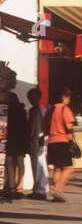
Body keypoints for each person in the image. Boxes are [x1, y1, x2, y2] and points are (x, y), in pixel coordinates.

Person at [0, 64, 28, 200]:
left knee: (12, 159)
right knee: (11, 159)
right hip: (11, 133)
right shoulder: (12, 98)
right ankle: (13, 186)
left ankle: (14, 186)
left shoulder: (13, 98)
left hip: (12, 133)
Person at [45, 86, 76, 201]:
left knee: (57, 168)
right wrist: (72, 129)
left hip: (51, 141)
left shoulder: (50, 109)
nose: (69, 100)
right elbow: (69, 126)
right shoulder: (65, 109)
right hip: (62, 141)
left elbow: (46, 126)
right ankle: (56, 190)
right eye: (68, 97)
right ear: (63, 97)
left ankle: (56, 194)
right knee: (68, 168)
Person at [26, 87, 49, 199]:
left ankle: (41, 189)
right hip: (33, 139)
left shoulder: (41, 110)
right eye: (30, 98)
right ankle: (37, 188)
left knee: (39, 164)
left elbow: (45, 126)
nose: (31, 100)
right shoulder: (32, 110)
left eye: (33, 98)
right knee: (35, 164)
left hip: (39, 140)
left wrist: (43, 136)